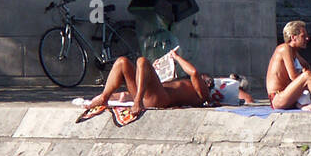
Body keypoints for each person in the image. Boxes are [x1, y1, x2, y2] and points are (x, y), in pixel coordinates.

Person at [79, 47, 218, 124]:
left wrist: (176, 57)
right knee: (122, 62)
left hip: (158, 99)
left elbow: (193, 72)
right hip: (150, 94)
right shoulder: (183, 83)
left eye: (206, 79)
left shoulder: (201, 94)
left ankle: (138, 102)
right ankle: (105, 96)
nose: (204, 78)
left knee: (142, 61)